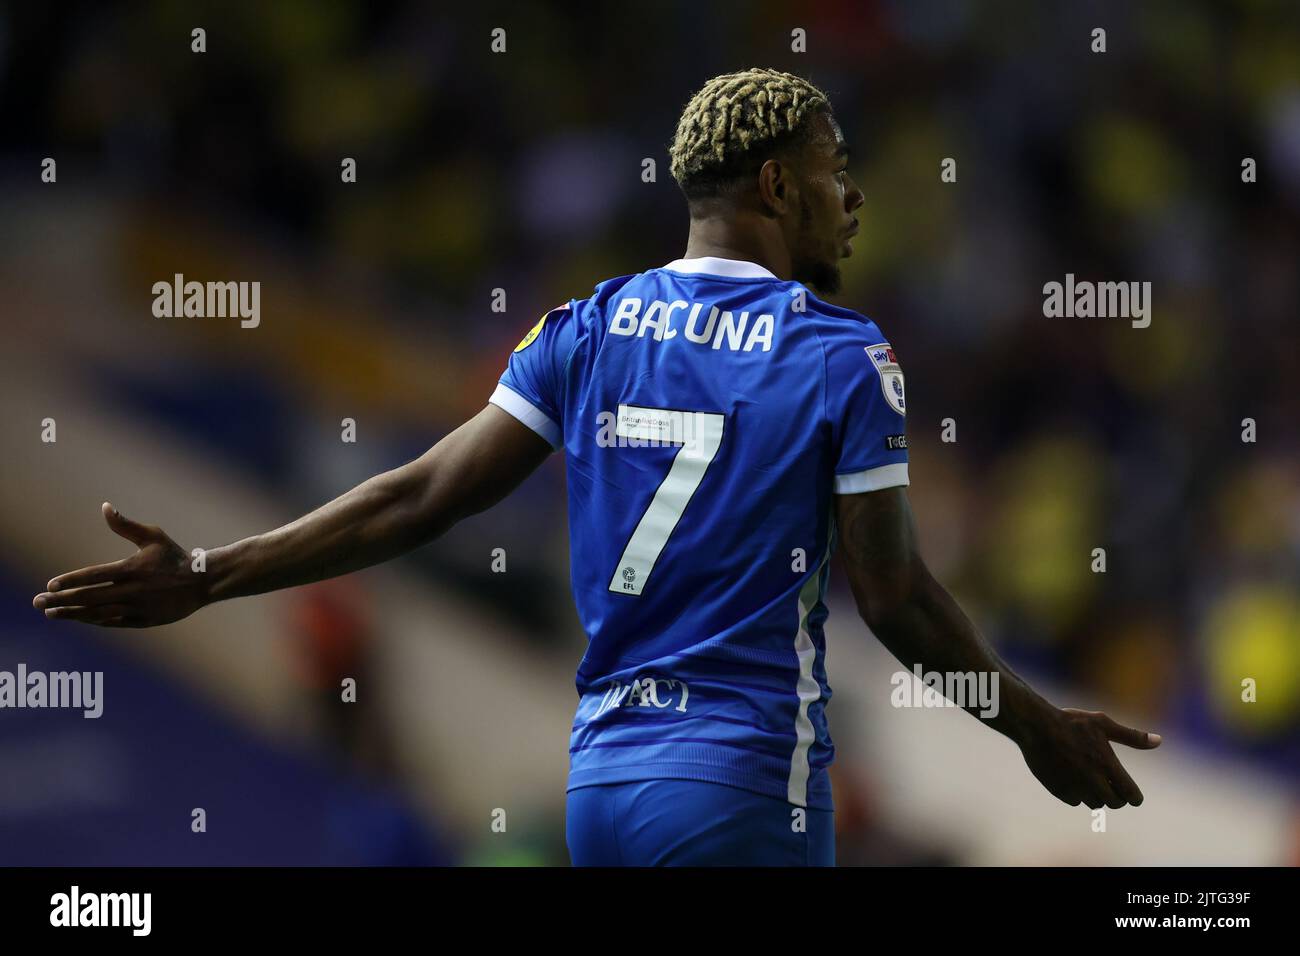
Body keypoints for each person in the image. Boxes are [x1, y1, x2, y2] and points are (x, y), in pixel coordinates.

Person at [32, 68, 1160, 866]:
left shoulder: (588, 326)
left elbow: (419, 491)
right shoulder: (839, 355)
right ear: (774, 187)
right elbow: (898, 596)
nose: (851, 195)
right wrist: (1034, 725)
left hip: (604, 789)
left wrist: (215, 568)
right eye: (831, 170)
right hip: (744, 781)